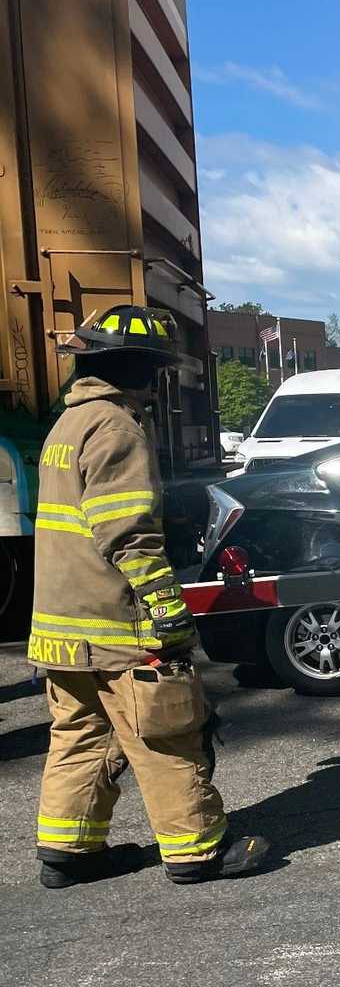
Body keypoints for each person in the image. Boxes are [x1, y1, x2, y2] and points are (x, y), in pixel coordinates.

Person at [29, 305, 268, 889]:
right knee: (162, 731)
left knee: (81, 734)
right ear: (143, 370)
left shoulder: (67, 425)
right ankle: (197, 850)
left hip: (60, 628)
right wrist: (170, 614)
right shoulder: (116, 427)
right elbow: (127, 534)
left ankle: (69, 853)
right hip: (114, 622)